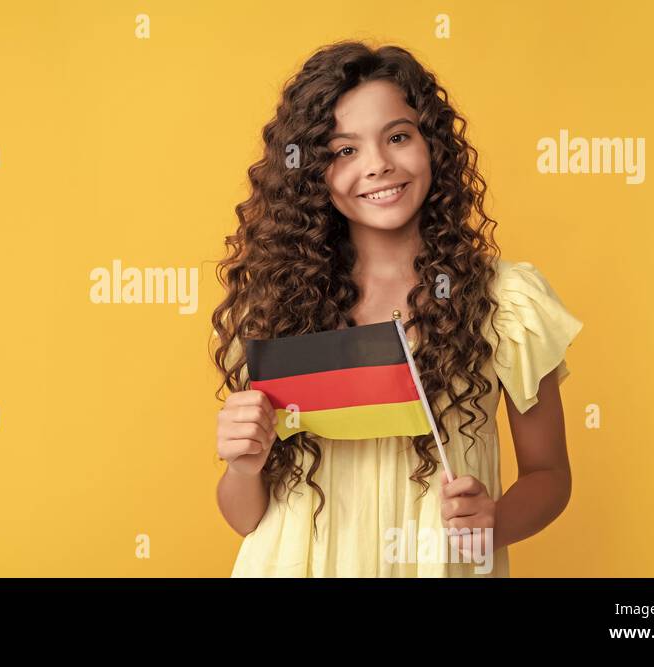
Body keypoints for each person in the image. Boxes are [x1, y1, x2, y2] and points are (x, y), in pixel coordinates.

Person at [211, 41, 584, 577]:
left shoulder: (504, 300)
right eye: (345, 150)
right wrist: (243, 468)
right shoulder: (282, 304)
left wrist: (492, 520)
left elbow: (550, 475)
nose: (379, 165)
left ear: (431, 144)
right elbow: (247, 520)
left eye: (398, 137)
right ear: (311, 172)